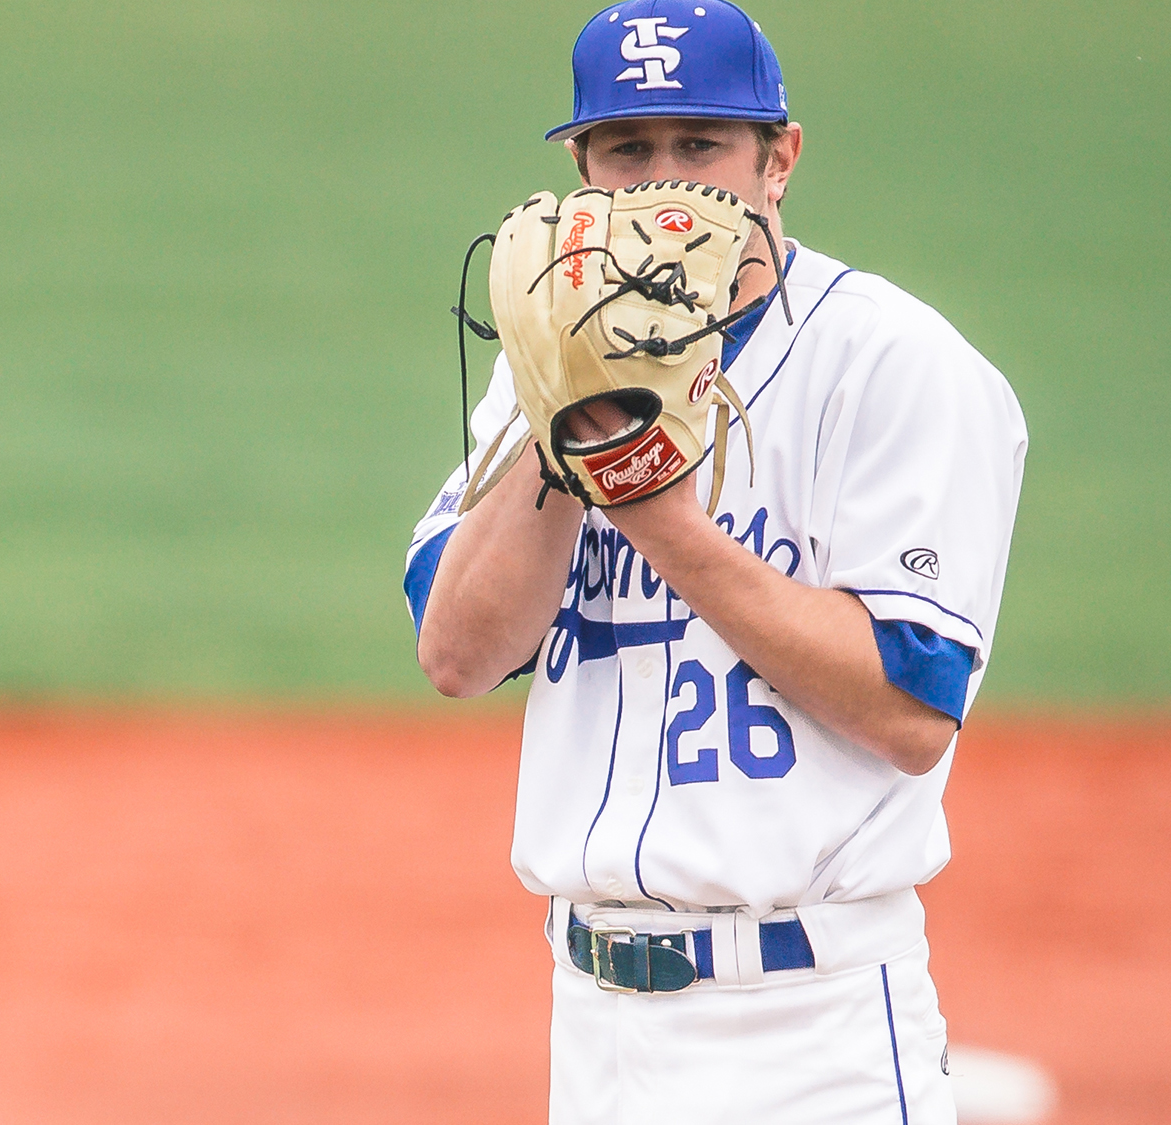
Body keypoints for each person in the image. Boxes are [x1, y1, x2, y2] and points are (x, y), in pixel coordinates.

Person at [403, 2, 1027, 1120]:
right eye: (627, 152)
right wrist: (563, 434)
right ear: (581, 173)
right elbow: (457, 652)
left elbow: (909, 707)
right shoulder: (546, 359)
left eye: (701, 148)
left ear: (777, 160)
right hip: (592, 1032)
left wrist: (656, 513)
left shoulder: (893, 366)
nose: (664, 185)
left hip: (812, 1033)